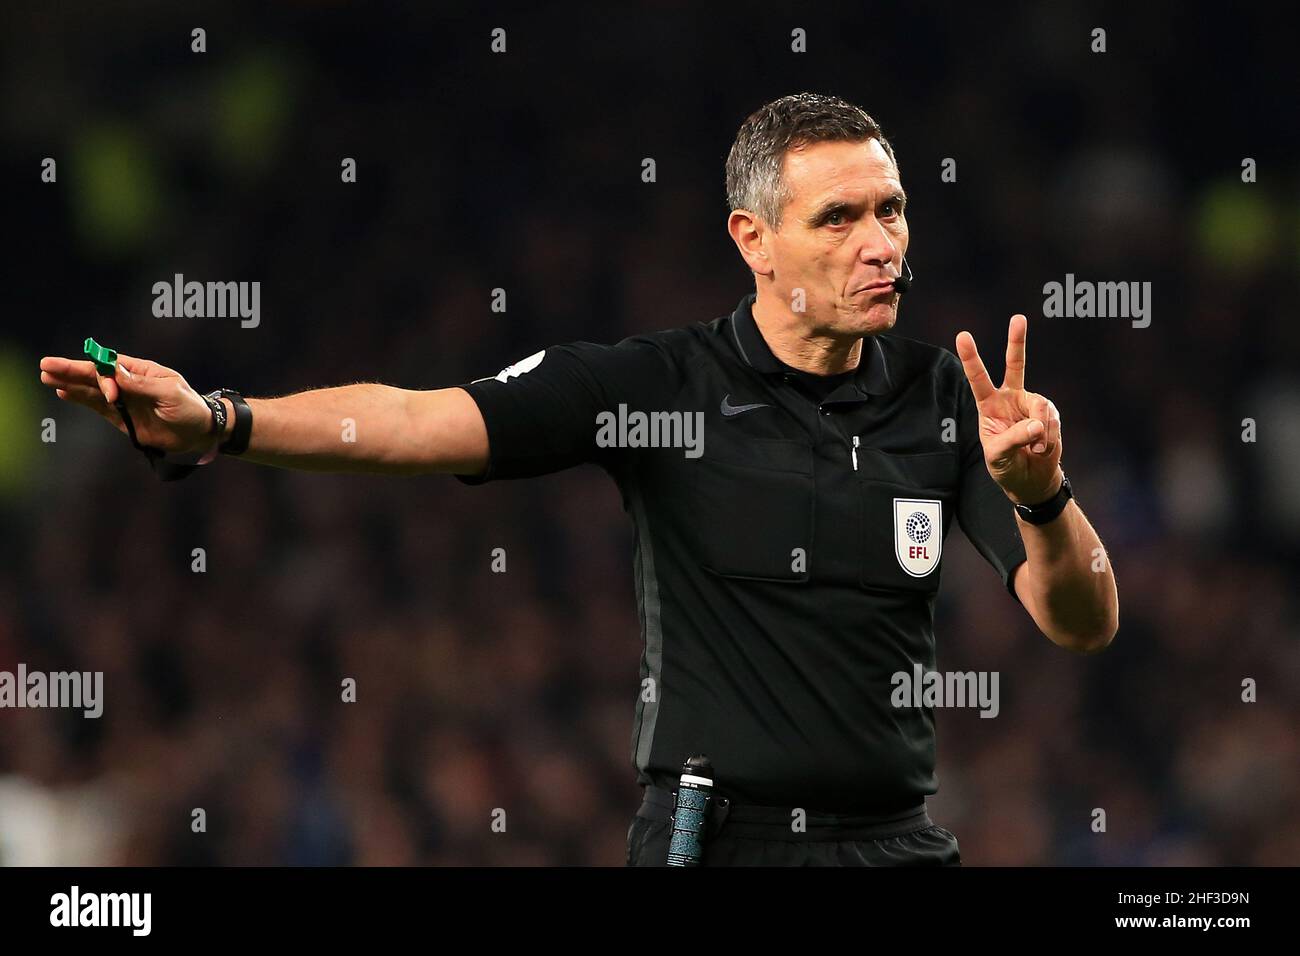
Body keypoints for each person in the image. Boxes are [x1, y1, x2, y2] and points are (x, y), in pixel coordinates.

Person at [39, 92, 1118, 866]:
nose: (879, 241)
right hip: (715, 839)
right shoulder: (658, 383)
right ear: (756, 240)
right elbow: (420, 421)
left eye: (889, 208)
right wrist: (222, 420)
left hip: (899, 840)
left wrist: (1040, 493)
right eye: (837, 218)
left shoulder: (950, 401)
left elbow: (1079, 620)